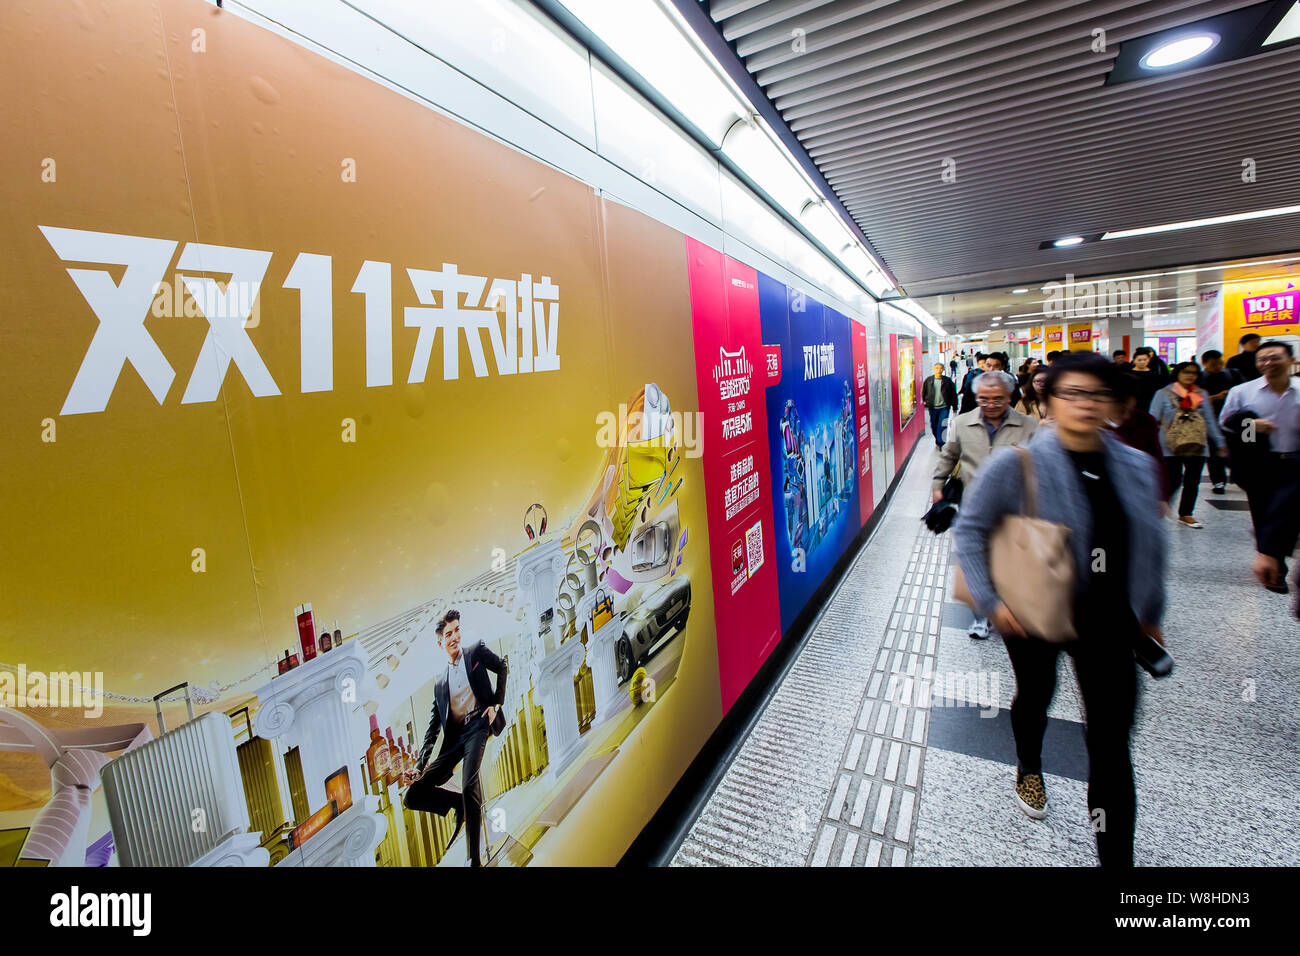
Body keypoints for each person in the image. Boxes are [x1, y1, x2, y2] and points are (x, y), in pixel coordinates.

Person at [953, 352, 1166, 867]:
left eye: (1098, 395)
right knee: (1036, 694)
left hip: (1110, 624)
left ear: (1116, 403)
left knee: (1112, 749)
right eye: (1072, 394)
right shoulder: (1017, 462)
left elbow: (1151, 542)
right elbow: (971, 530)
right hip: (1035, 613)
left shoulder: (1135, 465)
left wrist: (1151, 611)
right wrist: (991, 601)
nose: (1086, 405)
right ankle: (1028, 763)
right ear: (1048, 401)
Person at [933, 370, 1037, 638]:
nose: (990, 404)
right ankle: (981, 617)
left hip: (1015, 508)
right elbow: (949, 455)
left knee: (1009, 562)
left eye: (997, 399)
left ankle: (1010, 607)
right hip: (974, 506)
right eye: (984, 398)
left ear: (1010, 396)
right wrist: (937, 484)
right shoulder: (963, 423)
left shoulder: (1028, 426)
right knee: (976, 563)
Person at [404, 609, 509, 867]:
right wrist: (419, 766)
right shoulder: (440, 683)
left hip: (479, 725)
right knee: (412, 796)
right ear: (440, 642)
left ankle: (473, 859)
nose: (455, 637)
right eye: (449, 634)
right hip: (456, 739)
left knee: (468, 783)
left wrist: (496, 704)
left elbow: (502, 666)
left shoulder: (475, 651)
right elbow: (432, 729)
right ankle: (458, 804)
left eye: (457, 630)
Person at [1219, 340, 1300, 595]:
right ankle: (1275, 567)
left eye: (1274, 358)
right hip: (1260, 464)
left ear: (1290, 360)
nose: (1267, 363)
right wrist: (1251, 427)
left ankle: (1274, 564)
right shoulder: (1243, 392)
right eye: (1262, 359)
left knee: (1290, 515)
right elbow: (1226, 424)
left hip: (1296, 461)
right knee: (1264, 514)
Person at [1148, 360, 1226, 529]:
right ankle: (1160, 508)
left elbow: (1210, 420)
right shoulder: (1163, 393)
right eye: (1186, 372)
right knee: (1173, 479)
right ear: (1177, 374)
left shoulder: (1201, 394)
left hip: (1197, 443)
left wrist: (1220, 442)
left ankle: (1186, 514)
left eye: (1194, 372)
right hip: (1170, 444)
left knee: (1193, 480)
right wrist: (1149, 442)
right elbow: (1152, 418)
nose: (1190, 375)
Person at [1198, 350, 1244, 493]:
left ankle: (1238, 475)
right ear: (1204, 363)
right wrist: (1216, 397)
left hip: (1233, 419)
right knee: (1213, 451)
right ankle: (1218, 481)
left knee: (1237, 448)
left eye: (1220, 363)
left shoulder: (1233, 374)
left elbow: (1244, 392)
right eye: (1213, 364)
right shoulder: (1199, 378)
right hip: (1209, 419)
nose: (1218, 366)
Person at [922, 363, 958, 449]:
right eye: (937, 368)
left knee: (942, 425)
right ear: (934, 369)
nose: (939, 370)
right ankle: (938, 440)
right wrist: (926, 401)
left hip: (944, 407)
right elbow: (924, 392)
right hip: (933, 407)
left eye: (941, 368)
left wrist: (954, 406)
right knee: (934, 426)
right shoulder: (928, 380)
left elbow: (953, 394)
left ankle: (942, 443)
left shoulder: (947, 381)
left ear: (943, 370)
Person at [1127, 347, 1168, 413]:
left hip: (1150, 404)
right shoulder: (1128, 374)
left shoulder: (1154, 375)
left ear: (1148, 360)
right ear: (1134, 360)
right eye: (1139, 360)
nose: (1142, 362)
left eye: (1145, 360)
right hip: (1133, 406)